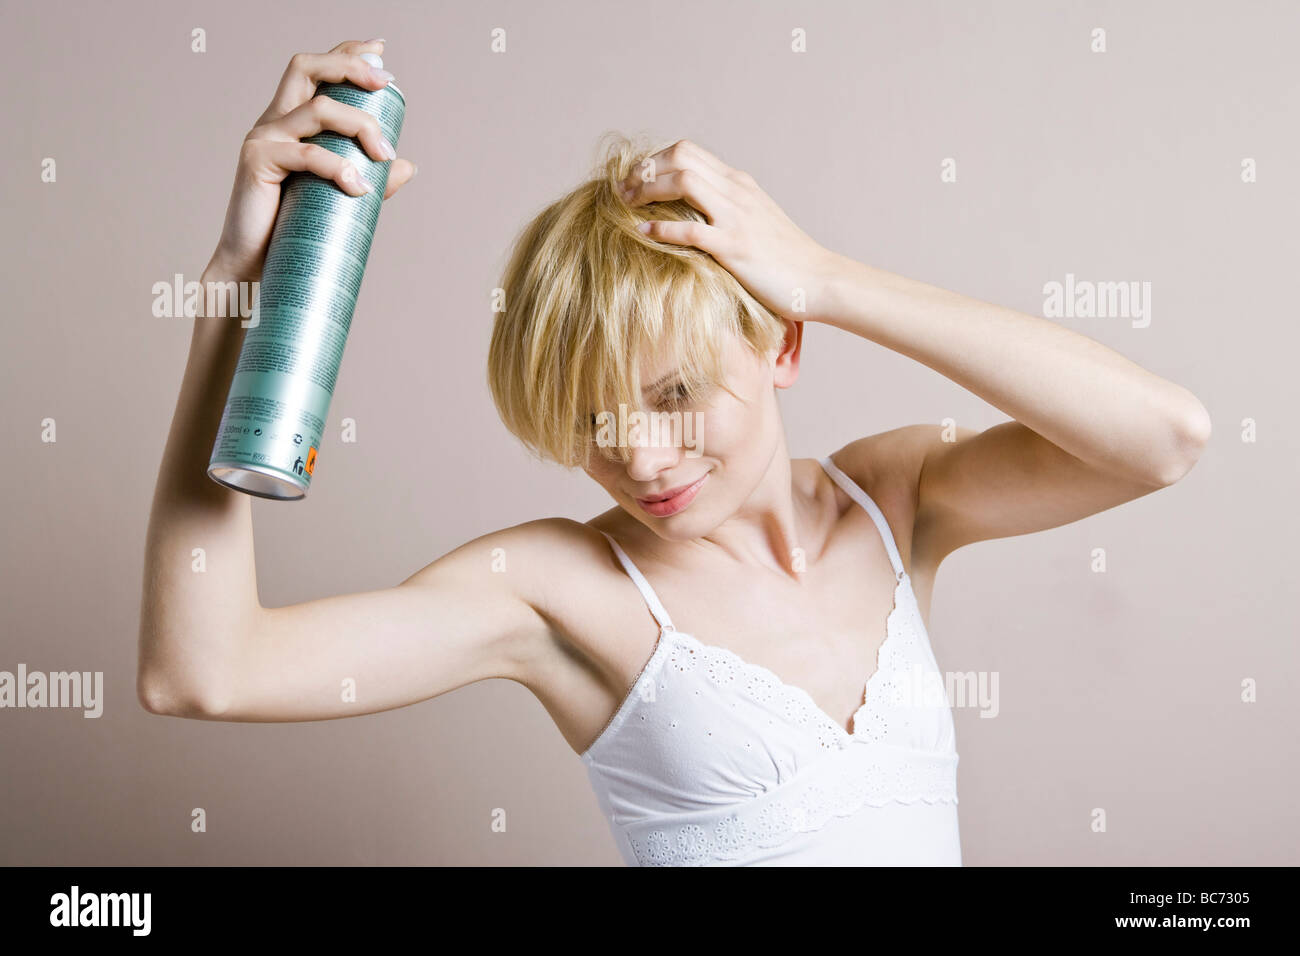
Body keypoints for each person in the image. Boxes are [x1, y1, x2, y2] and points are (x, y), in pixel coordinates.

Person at [138, 39, 1212, 866]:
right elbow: (206, 670)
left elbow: (1161, 438)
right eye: (592, 419)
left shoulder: (898, 495)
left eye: (674, 394)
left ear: (782, 340)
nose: (640, 456)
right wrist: (236, 289)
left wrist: (826, 276)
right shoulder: (561, 589)